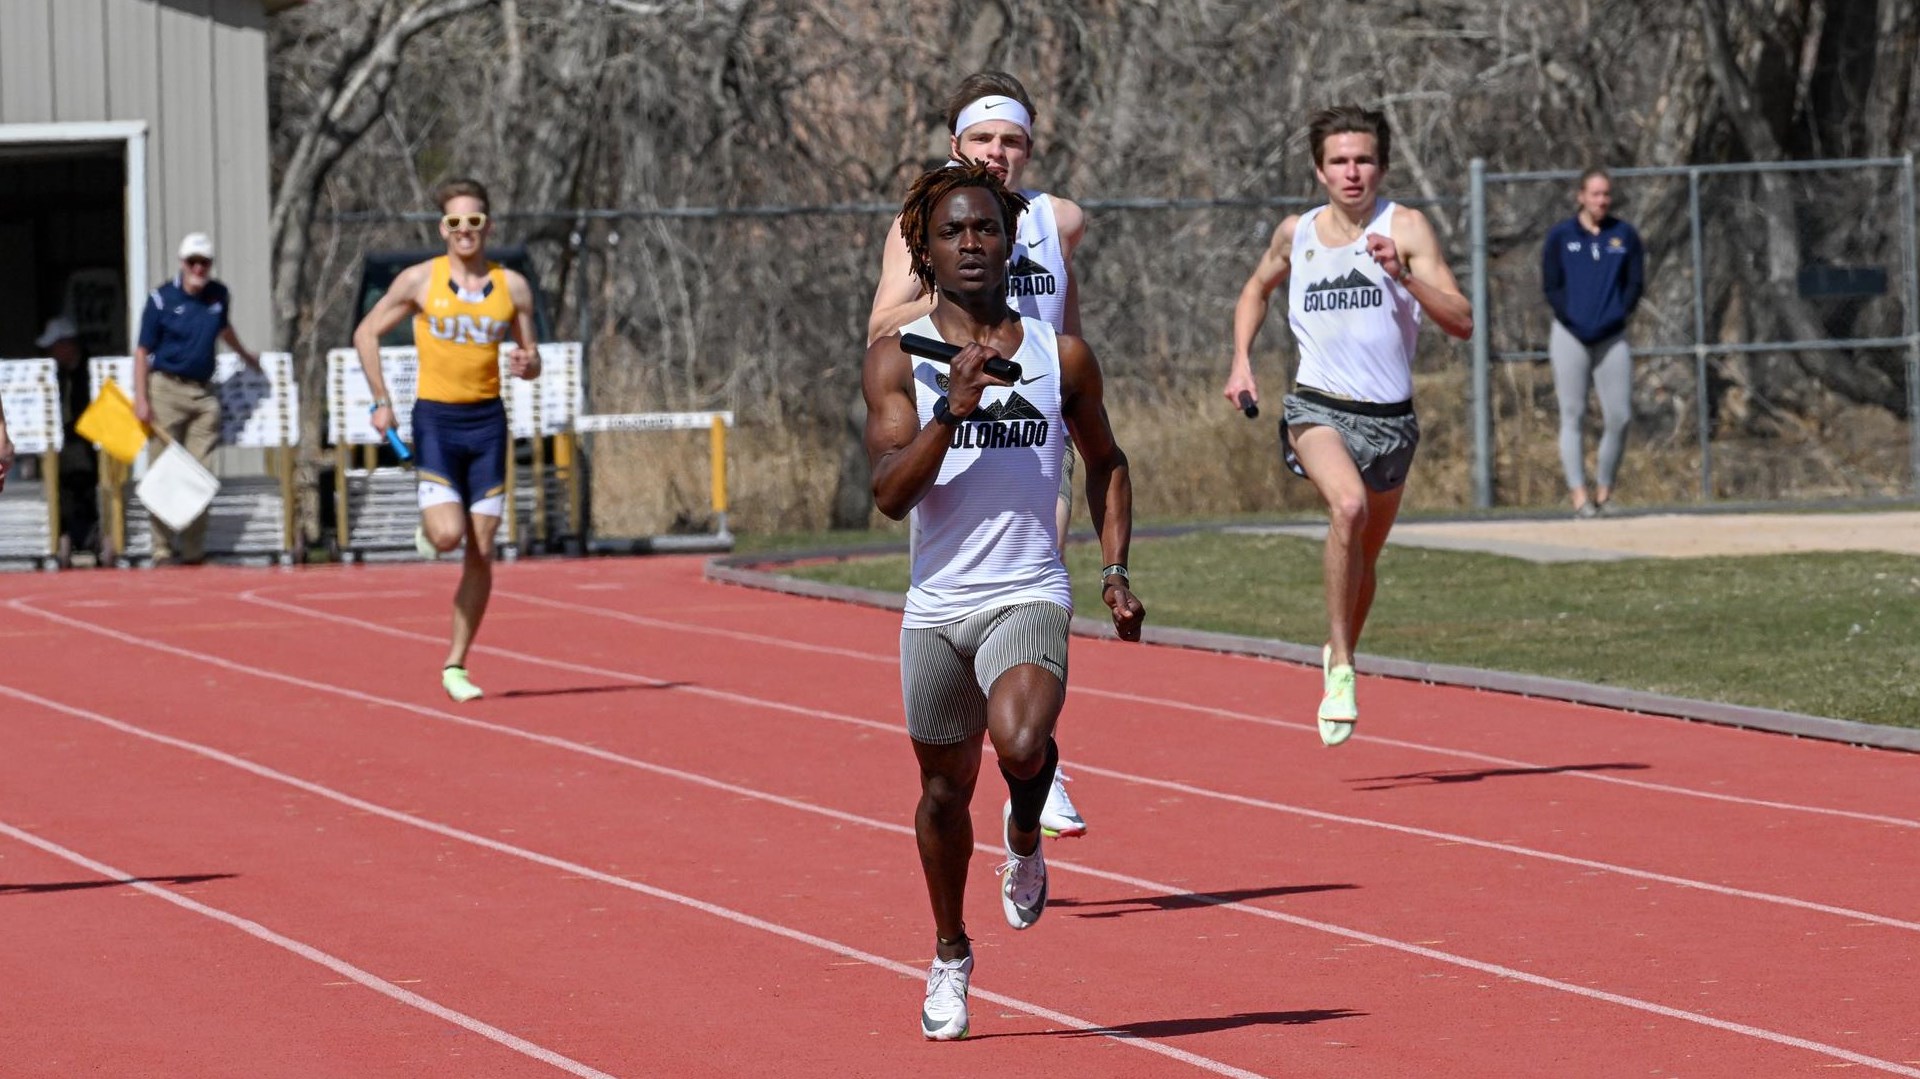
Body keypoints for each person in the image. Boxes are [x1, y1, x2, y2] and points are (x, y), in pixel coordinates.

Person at [863, 160, 1144, 1041]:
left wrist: (1114, 571)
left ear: (1011, 241)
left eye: (987, 228)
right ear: (927, 249)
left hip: (1028, 587)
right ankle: (950, 951)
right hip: (937, 606)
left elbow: (1107, 461)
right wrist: (951, 409)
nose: (973, 243)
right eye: (953, 232)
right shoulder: (895, 358)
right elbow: (889, 494)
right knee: (945, 797)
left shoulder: (1060, 355)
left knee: (1022, 741)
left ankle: (1026, 827)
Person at [868, 70, 1094, 839]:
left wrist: (1046, 359)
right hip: (950, 421)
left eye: (1012, 141)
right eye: (983, 139)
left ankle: (1035, 762)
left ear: (1029, 149)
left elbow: (1067, 313)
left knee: (1039, 576)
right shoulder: (930, 222)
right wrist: (957, 312)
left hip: (1031, 418)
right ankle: (1012, 753)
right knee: (945, 765)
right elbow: (879, 327)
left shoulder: (1057, 221)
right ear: (955, 145)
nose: (998, 152)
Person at [1221, 104, 1473, 747]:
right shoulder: (1296, 233)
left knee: (1363, 554)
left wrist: (1406, 275)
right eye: (1339, 161)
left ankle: (1339, 650)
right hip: (1317, 409)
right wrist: (1242, 360)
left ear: (1382, 166)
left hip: (1391, 422)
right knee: (1349, 507)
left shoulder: (1406, 227)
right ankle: (1341, 665)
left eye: (1363, 159)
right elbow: (1256, 289)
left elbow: (1462, 319)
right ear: (1320, 170)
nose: (1352, 171)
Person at [352, 178, 539, 703]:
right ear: (443, 229)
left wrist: (528, 366)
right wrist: (380, 400)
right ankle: (432, 531)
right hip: (436, 421)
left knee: (482, 551)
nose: (465, 232)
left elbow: (532, 357)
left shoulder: (513, 288)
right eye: (455, 223)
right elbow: (365, 333)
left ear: (487, 226)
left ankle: (456, 662)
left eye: (474, 222)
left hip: (487, 425)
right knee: (449, 536)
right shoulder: (419, 282)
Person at [132, 233, 259, 565]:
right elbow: (143, 350)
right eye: (193, 262)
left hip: (204, 393)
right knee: (164, 468)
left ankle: (193, 548)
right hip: (166, 389)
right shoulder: (160, 299)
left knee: (200, 474)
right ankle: (161, 546)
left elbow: (223, 328)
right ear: (182, 263)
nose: (198, 269)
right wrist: (141, 398)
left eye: (204, 263)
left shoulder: (218, 296)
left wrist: (246, 355)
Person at [1542, 167, 1644, 517]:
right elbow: (1551, 285)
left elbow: (1634, 284)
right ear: (1581, 196)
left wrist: (1617, 315)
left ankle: (1604, 490)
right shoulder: (1561, 236)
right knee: (1573, 414)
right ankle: (1579, 497)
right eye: (1595, 194)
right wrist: (1572, 318)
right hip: (1570, 335)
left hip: (1611, 337)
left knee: (1620, 415)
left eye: (1606, 194)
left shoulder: (1624, 235)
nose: (1601, 200)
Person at [37, 317, 101, 566]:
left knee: (83, 485)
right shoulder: (58, 374)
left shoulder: (89, 372)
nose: (51, 352)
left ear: (67, 344)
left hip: (84, 444)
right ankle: (66, 532)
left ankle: (91, 533)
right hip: (65, 442)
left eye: (55, 345)